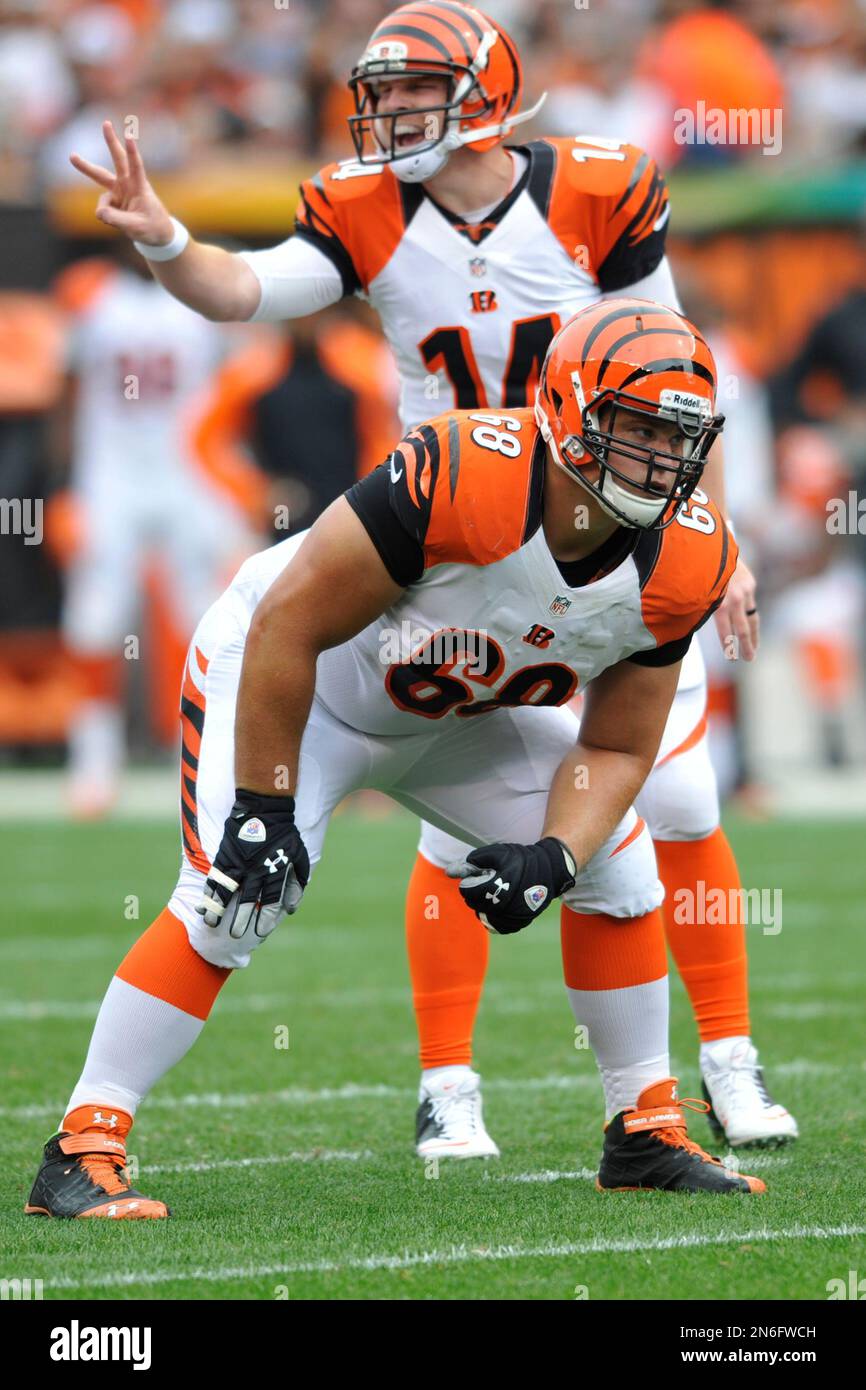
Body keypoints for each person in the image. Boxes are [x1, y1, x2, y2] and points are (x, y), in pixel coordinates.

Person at [67, 1, 796, 1154]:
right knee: (239, 895)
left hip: (585, 535)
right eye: (382, 90)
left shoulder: (599, 195)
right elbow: (244, 295)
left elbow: (667, 384)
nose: (387, 111)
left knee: (644, 825)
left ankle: (671, 1107)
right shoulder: (386, 278)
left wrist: (710, 539)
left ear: (485, 93)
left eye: (412, 89)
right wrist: (164, 237)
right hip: (438, 537)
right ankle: (120, 1132)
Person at [26, 300, 768, 1218]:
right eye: (639, 427)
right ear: (571, 412)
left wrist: (554, 855)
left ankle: (645, 1131)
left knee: (615, 864)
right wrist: (265, 803)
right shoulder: (463, 471)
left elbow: (616, 744)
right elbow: (289, 621)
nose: (662, 459)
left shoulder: (689, 557)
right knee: (236, 898)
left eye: (680, 437)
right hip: (302, 686)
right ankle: (82, 1145)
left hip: (450, 717)